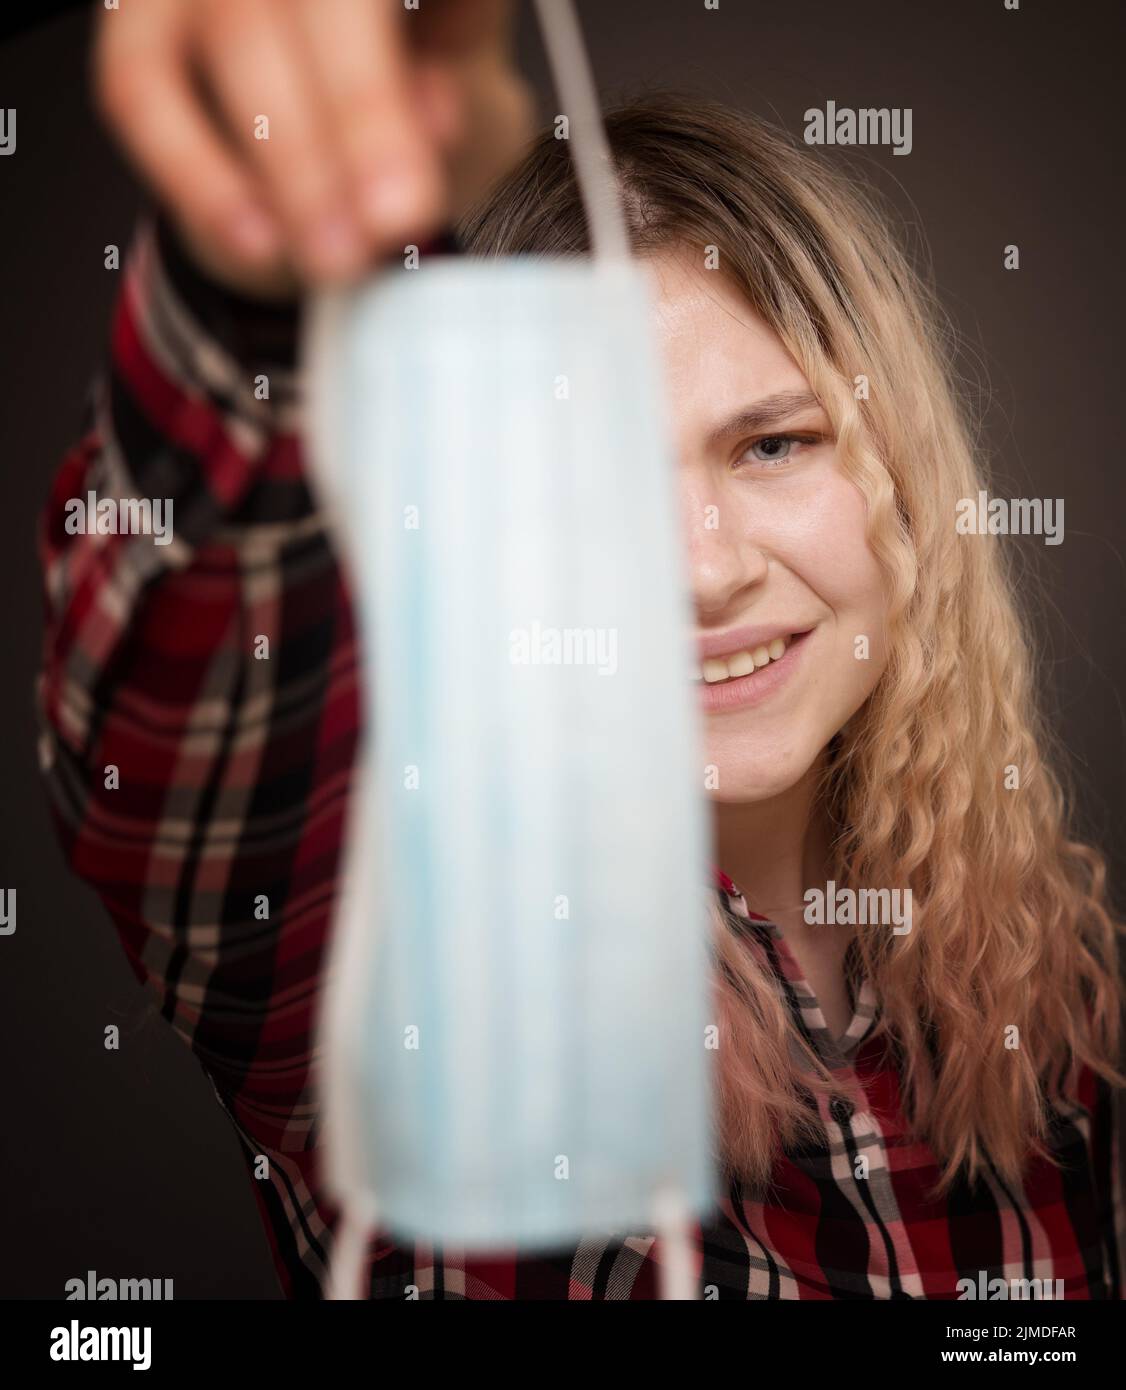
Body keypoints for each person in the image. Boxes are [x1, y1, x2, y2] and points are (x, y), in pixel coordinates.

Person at [38, 0, 1124, 1298]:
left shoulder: (1061, 1006)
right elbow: (193, 691)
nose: (704, 567)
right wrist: (271, 259)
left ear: (898, 483)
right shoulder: (404, 968)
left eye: (773, 444)